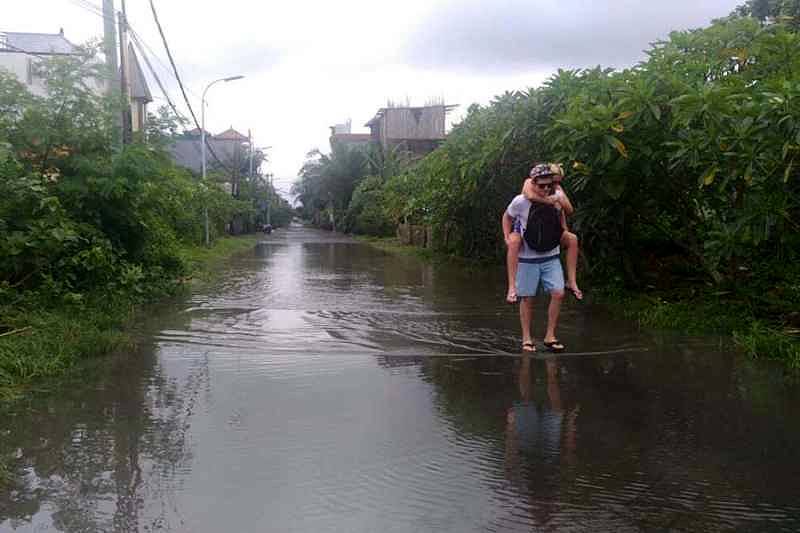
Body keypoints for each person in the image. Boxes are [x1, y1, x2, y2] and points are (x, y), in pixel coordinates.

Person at [502, 170, 567, 352]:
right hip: (527, 258)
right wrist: (507, 237)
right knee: (527, 298)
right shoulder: (520, 202)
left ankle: (550, 335)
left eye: (549, 185)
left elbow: (566, 214)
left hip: (551, 255)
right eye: (541, 185)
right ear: (533, 183)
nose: (546, 189)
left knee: (558, 293)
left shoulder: (557, 199)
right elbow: (507, 217)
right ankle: (526, 338)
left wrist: (559, 197)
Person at [505, 163, 583, 304]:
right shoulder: (529, 184)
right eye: (544, 184)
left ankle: (571, 281)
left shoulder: (555, 188)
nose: (548, 187)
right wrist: (506, 236)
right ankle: (511, 286)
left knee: (572, 239)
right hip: (524, 225)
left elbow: (569, 210)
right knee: (514, 242)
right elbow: (528, 196)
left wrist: (559, 198)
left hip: (546, 228)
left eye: (554, 183)